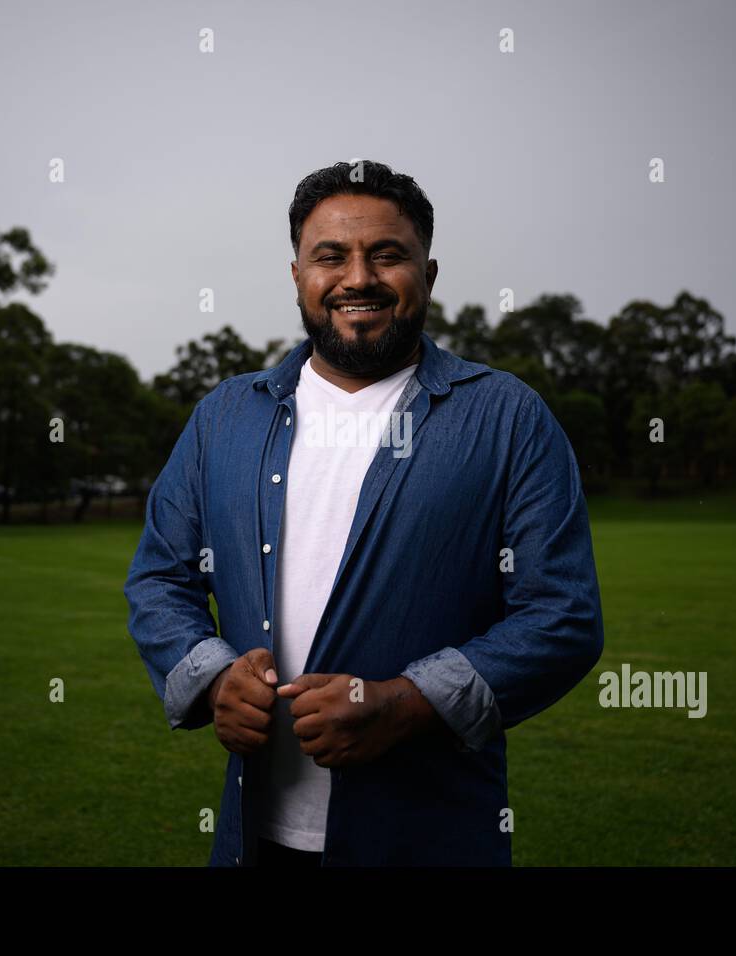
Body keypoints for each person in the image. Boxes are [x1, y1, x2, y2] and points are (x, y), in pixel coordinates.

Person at [124, 160, 604, 866]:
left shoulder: (507, 418)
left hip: (431, 842)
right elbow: (160, 579)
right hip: (257, 839)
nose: (358, 278)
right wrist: (214, 676)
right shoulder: (223, 418)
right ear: (297, 275)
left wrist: (408, 703)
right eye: (331, 256)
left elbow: (563, 614)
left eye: (387, 254)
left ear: (428, 273)